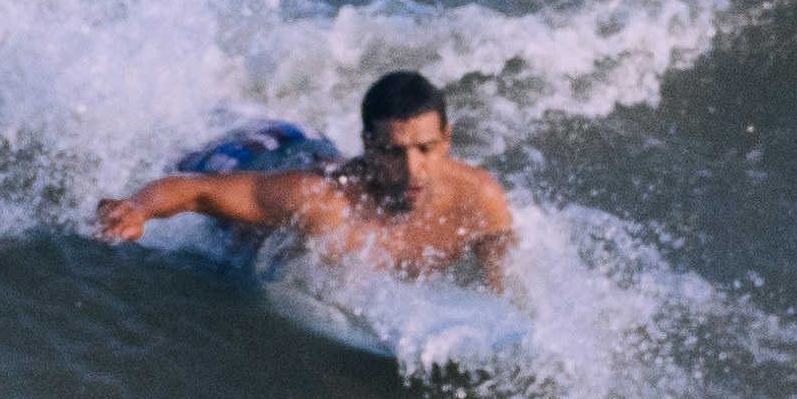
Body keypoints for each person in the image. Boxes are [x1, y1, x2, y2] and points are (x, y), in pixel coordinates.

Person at [91, 69, 517, 286]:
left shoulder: (479, 199)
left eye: (425, 148)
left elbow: (505, 285)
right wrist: (137, 208)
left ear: (446, 139)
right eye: (392, 152)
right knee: (226, 216)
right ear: (369, 146)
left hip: (311, 148)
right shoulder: (323, 202)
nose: (412, 170)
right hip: (256, 158)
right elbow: (197, 192)